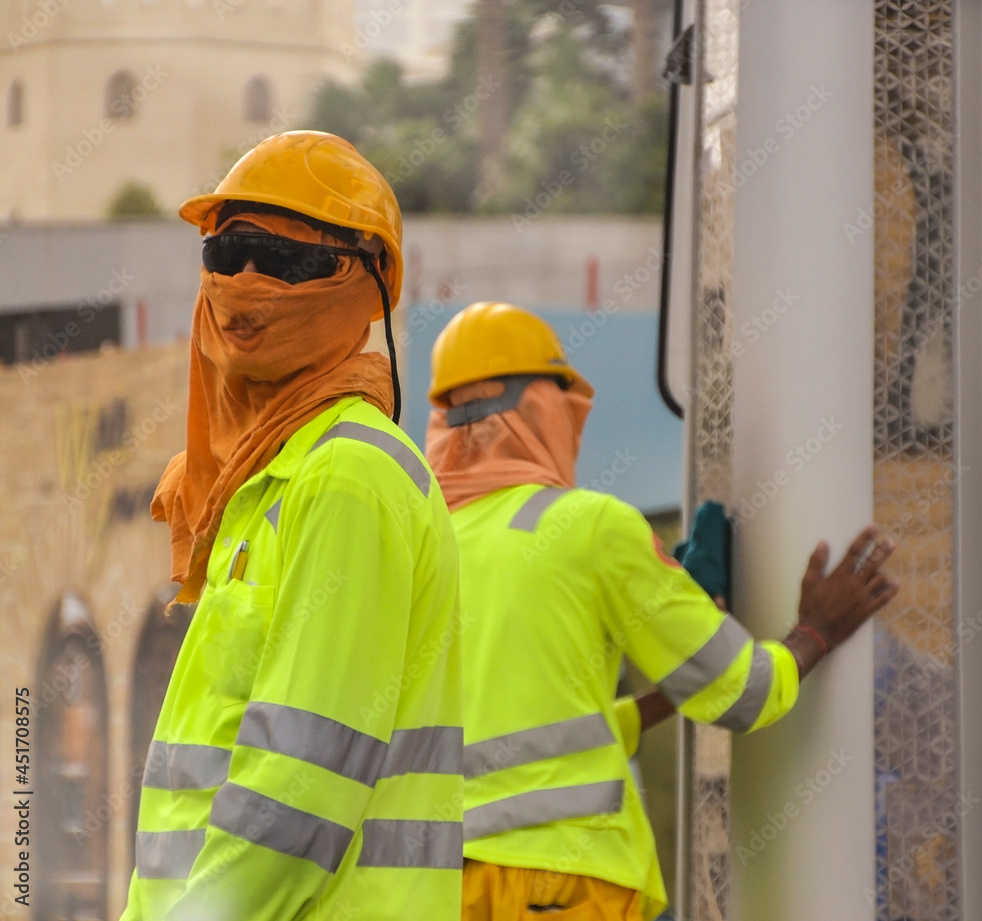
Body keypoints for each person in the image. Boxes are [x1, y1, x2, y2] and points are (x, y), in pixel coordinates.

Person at [423, 301, 900, 921]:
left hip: (439, 890)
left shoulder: (423, 550)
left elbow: (535, 736)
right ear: (547, 410)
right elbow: (744, 695)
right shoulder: (588, 526)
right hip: (566, 888)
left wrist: (676, 681)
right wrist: (816, 630)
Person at [121, 131, 464, 921]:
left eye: (287, 259)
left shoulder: (348, 478)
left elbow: (298, 786)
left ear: (366, 284)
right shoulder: (268, 480)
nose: (246, 281)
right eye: (229, 249)